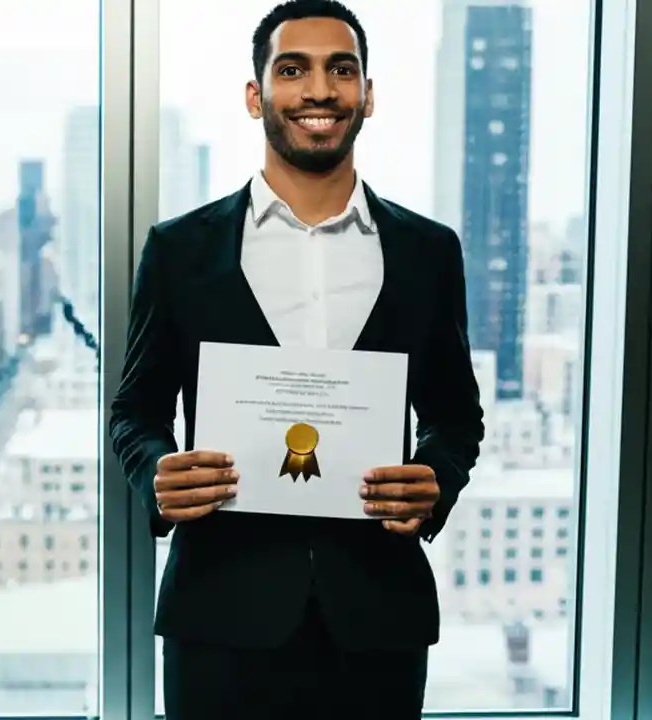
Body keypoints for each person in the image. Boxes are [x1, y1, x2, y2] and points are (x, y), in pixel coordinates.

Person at [108, 1, 486, 717]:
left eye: (341, 70)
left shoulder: (429, 252)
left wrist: (434, 480)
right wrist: (157, 471)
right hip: (218, 614)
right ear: (256, 96)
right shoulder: (179, 250)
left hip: (378, 618)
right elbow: (135, 410)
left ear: (367, 95)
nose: (319, 90)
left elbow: (456, 416)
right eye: (292, 70)